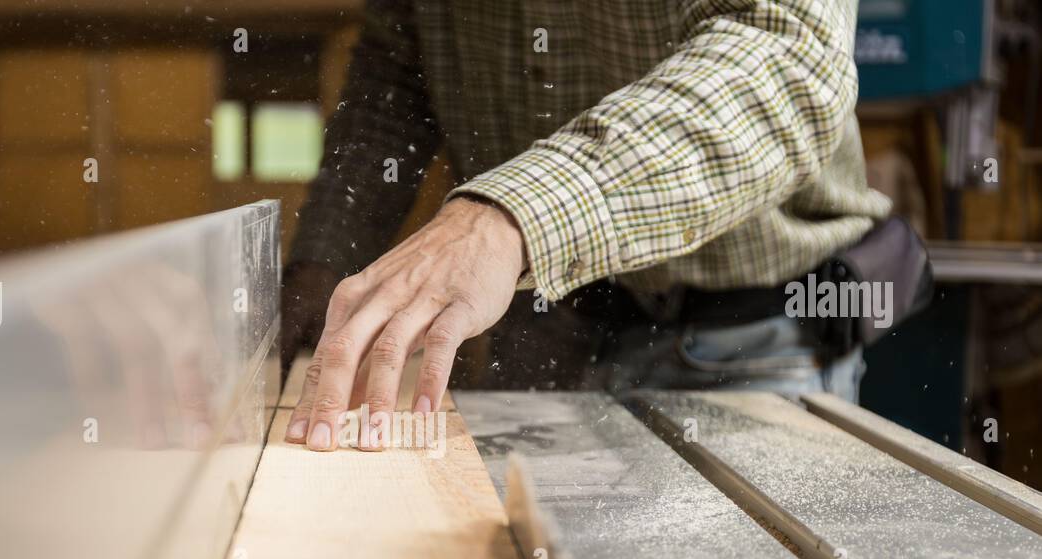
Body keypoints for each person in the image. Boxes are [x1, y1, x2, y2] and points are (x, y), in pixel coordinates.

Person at [282, 0, 912, 452]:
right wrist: (326, 261)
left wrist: (509, 221)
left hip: (746, 332)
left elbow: (786, 58)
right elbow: (396, 73)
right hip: (539, 316)